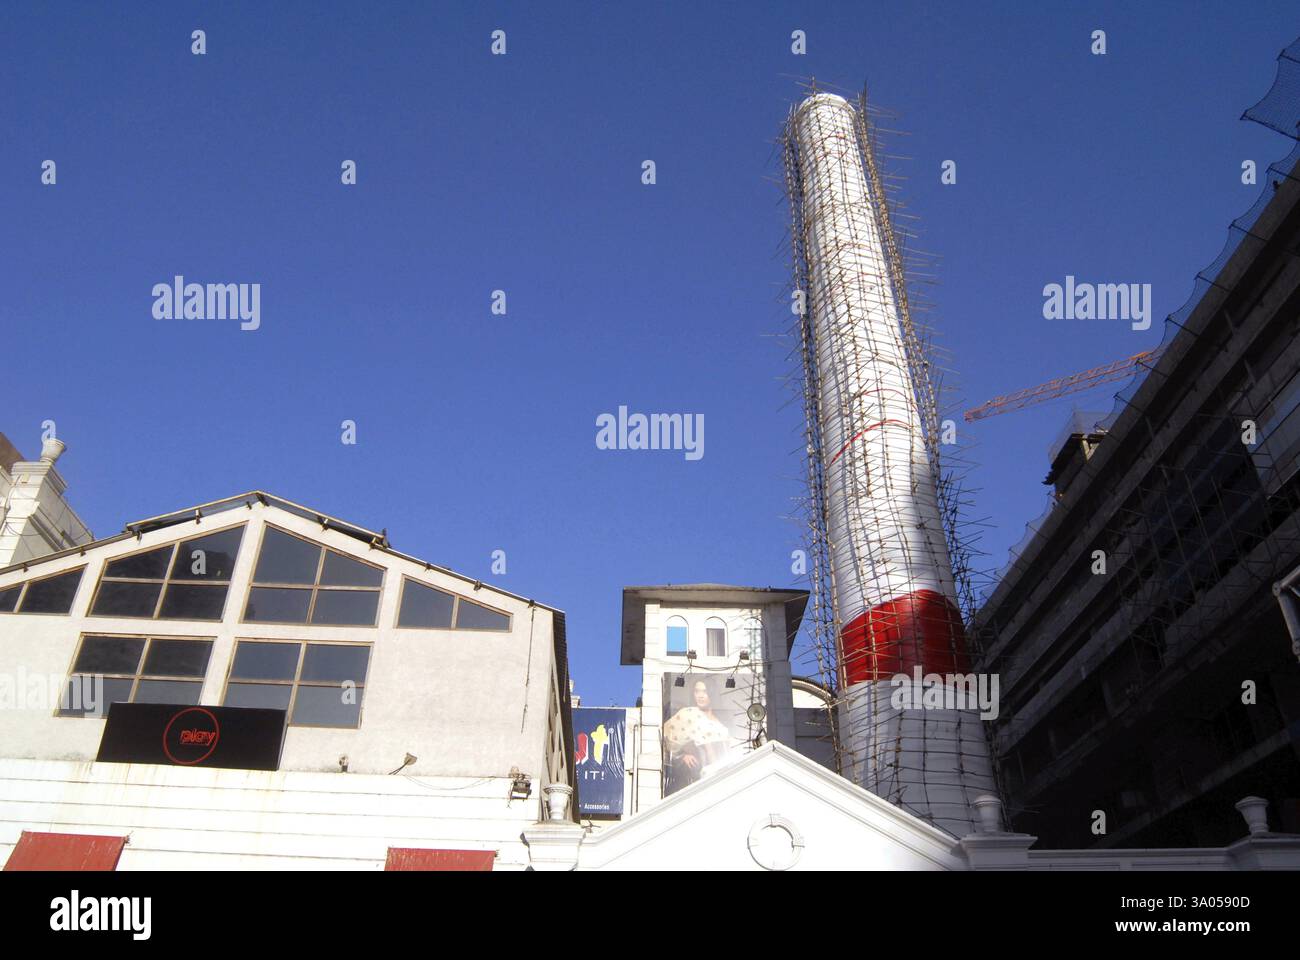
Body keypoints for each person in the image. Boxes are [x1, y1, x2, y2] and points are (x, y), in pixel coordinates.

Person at [662, 678, 733, 794]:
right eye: (696, 691)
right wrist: (681, 756)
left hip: (725, 774)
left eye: (704, 691)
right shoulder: (689, 713)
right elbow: (664, 738)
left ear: (712, 693)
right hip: (701, 778)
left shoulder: (721, 720)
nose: (700, 696)